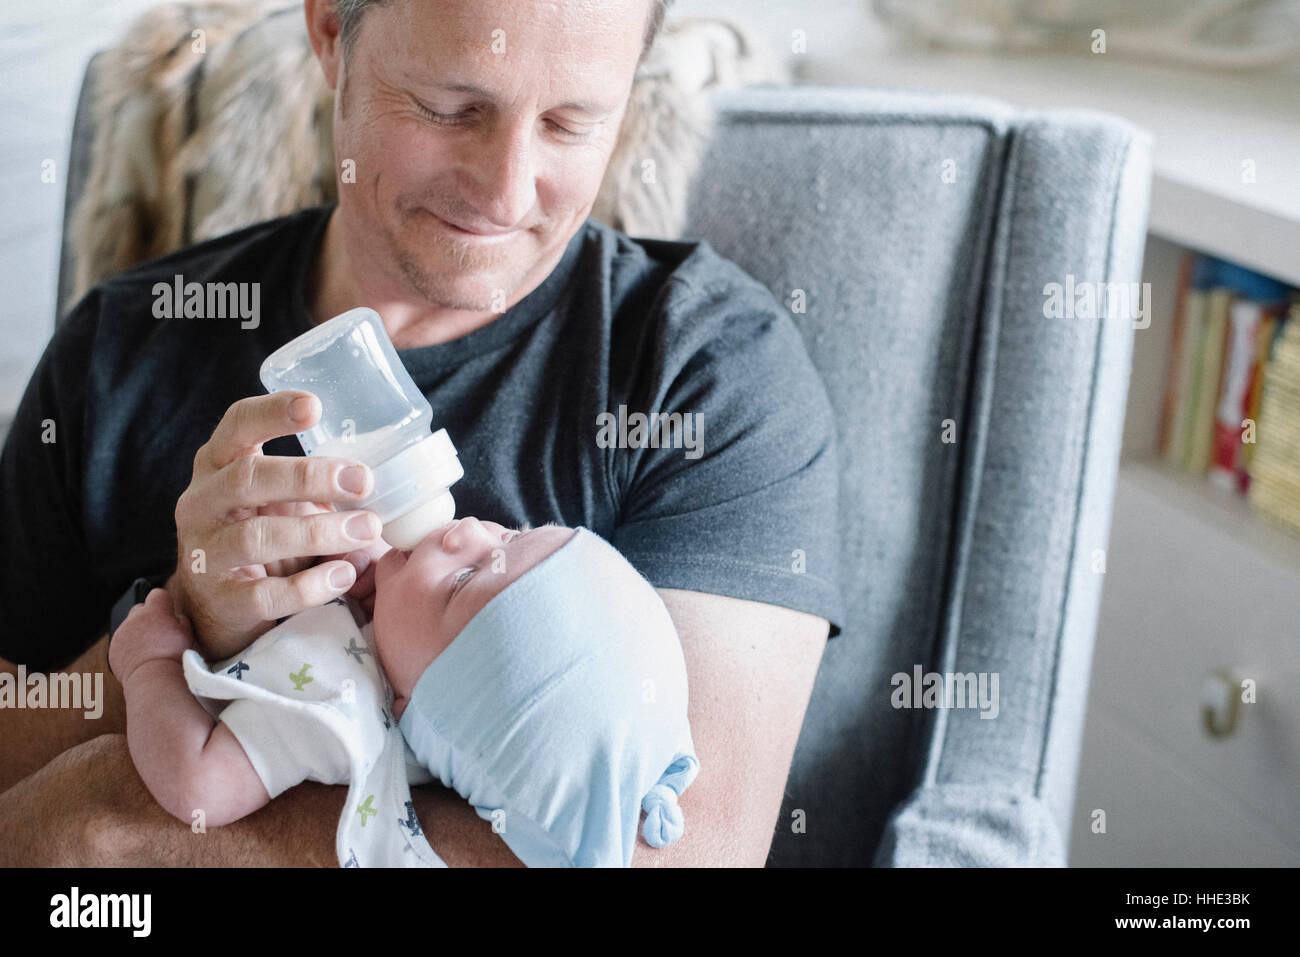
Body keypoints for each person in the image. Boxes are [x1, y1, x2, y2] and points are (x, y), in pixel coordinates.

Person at [0, 0, 843, 866]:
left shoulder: (704, 375)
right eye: (449, 107)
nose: (506, 193)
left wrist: (119, 830)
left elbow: (681, 853)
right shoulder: (123, 345)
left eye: (571, 122)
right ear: (330, 30)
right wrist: (190, 616)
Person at [110, 519, 700, 867]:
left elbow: (200, 788)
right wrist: (374, 592)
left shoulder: (339, 711)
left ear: (410, 709)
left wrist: (150, 664)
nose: (469, 530)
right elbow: (396, 639)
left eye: (465, 581)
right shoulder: (402, 657)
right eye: (511, 535)